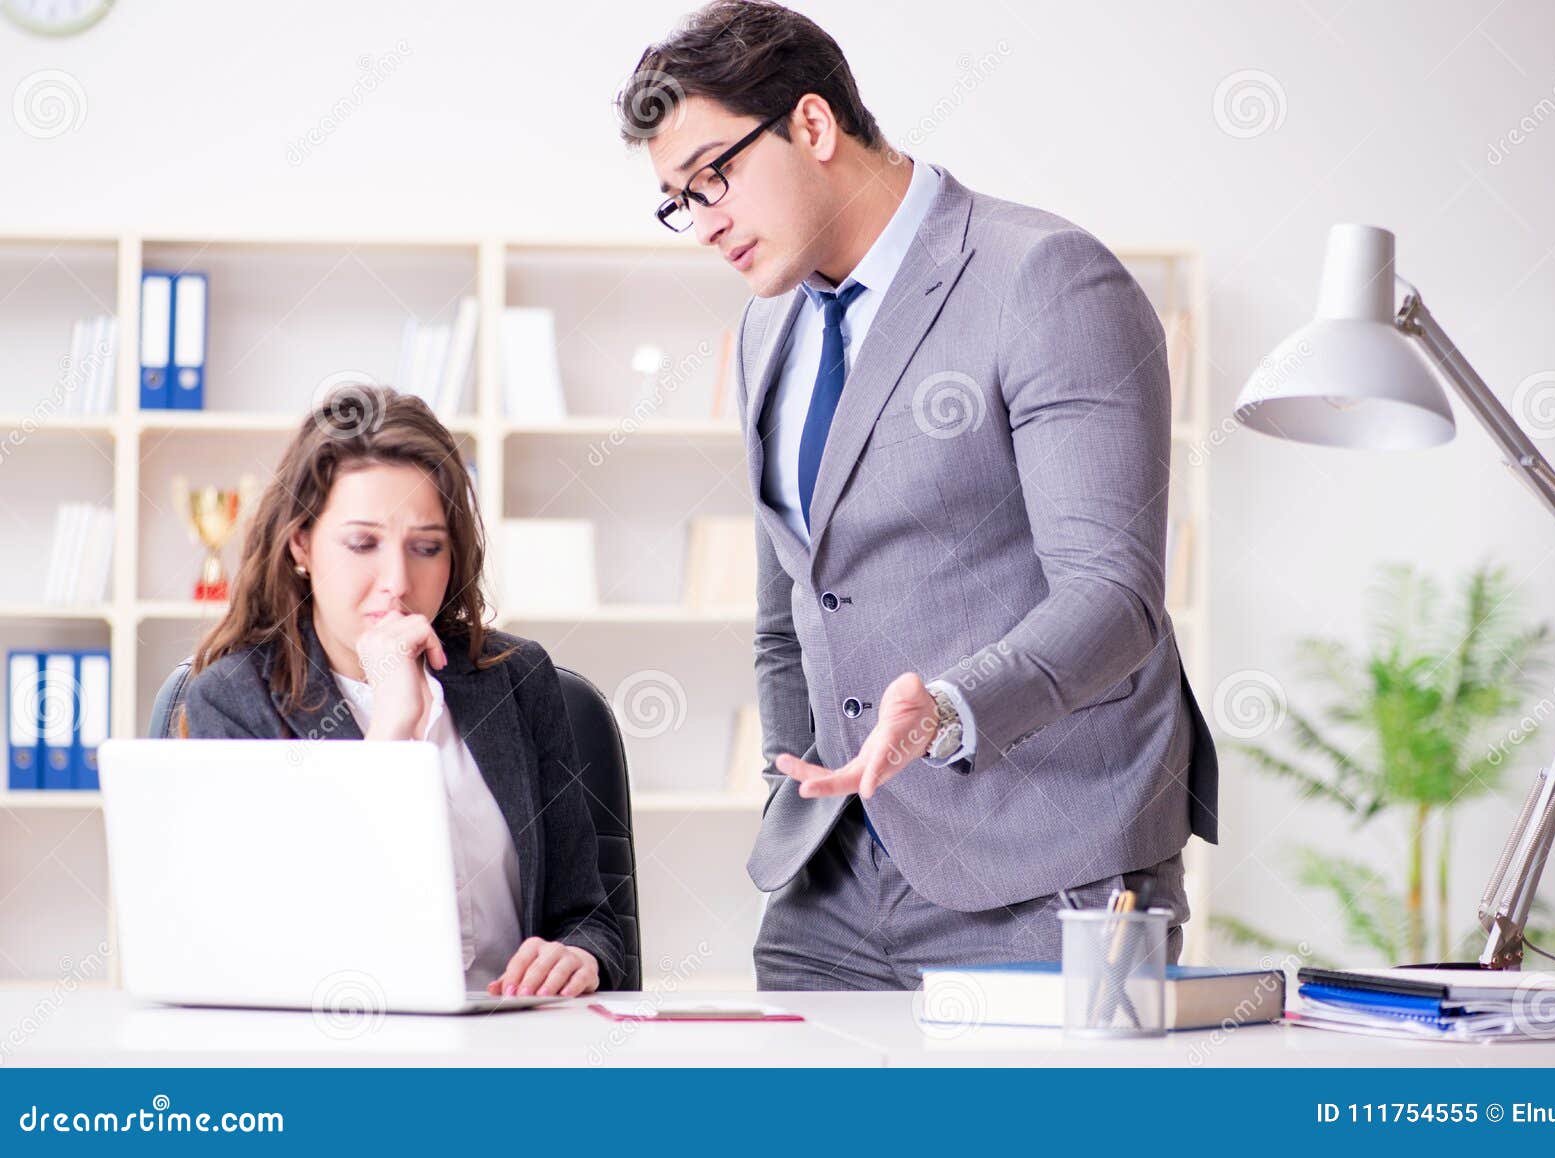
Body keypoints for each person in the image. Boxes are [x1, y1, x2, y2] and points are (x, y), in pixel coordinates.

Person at [619, 1, 1218, 990]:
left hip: (1047, 872)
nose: (703, 220)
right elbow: (789, 611)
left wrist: (946, 711)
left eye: (713, 175)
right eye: (678, 199)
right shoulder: (769, 328)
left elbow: (1113, 596)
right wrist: (790, 776)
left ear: (811, 126)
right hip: (831, 882)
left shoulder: (1042, 276)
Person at [180, 384, 624, 997]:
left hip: (517, 1044)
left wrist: (580, 955)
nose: (397, 581)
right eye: (363, 543)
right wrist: (390, 728)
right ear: (301, 544)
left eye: (427, 547)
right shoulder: (233, 701)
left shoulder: (518, 680)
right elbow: (265, 939)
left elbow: (590, 917)